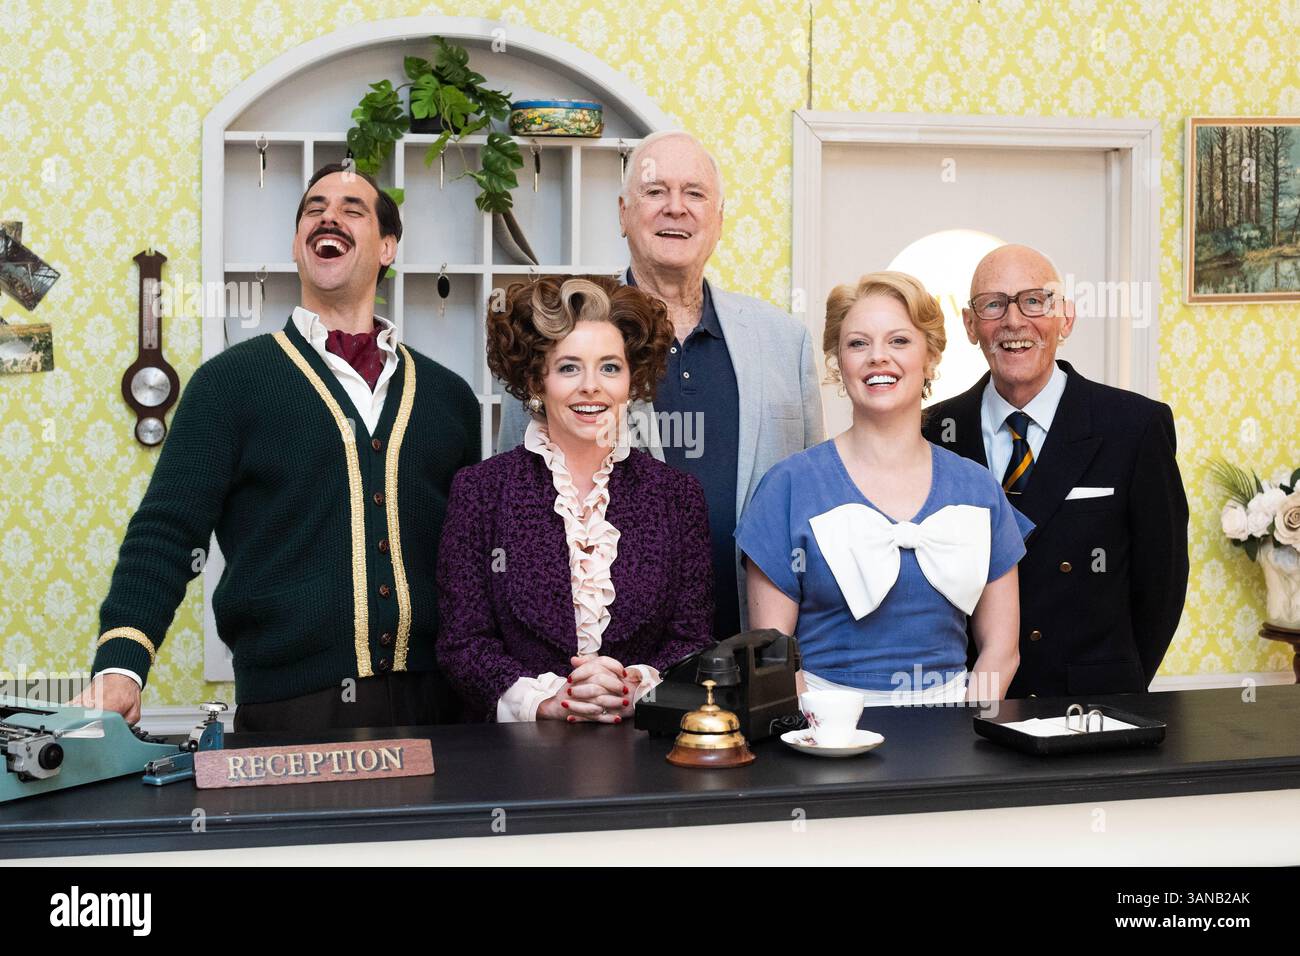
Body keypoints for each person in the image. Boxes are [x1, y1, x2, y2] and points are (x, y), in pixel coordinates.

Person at [71, 163, 480, 730]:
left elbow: (480, 561)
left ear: (388, 247)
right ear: (296, 245)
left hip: (443, 709)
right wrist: (122, 665)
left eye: (351, 209)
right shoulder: (229, 383)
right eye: (313, 209)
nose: (328, 216)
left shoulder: (449, 397)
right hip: (291, 708)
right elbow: (166, 531)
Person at [498, 131, 824, 641]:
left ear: (719, 217)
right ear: (623, 213)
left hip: (756, 647)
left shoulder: (786, 342)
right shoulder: (560, 333)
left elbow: (813, 504)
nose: (677, 208)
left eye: (695, 193)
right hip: (608, 663)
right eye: (655, 192)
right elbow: (513, 501)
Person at [737, 272, 1025, 704]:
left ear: (929, 357)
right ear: (839, 362)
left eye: (899, 341)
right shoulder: (788, 486)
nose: (878, 357)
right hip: (824, 738)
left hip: (951, 738)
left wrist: (968, 726)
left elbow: (1002, 651)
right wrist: (822, 733)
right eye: (858, 343)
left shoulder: (978, 488)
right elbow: (772, 657)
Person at [438, 276, 714, 722]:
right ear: (536, 380)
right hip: (519, 755)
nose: (592, 386)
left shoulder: (676, 497)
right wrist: (546, 701)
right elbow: (463, 645)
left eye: (610, 367)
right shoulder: (481, 491)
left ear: (632, 380)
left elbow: (693, 640)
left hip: (645, 750)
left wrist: (634, 688)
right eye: (569, 367)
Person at [923, 244, 1189, 697]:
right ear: (971, 326)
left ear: (1065, 317)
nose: (1013, 321)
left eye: (1034, 300)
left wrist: (1119, 682)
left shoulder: (1134, 426)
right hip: (967, 704)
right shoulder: (933, 431)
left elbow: (1162, 579)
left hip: (1093, 706)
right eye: (993, 304)